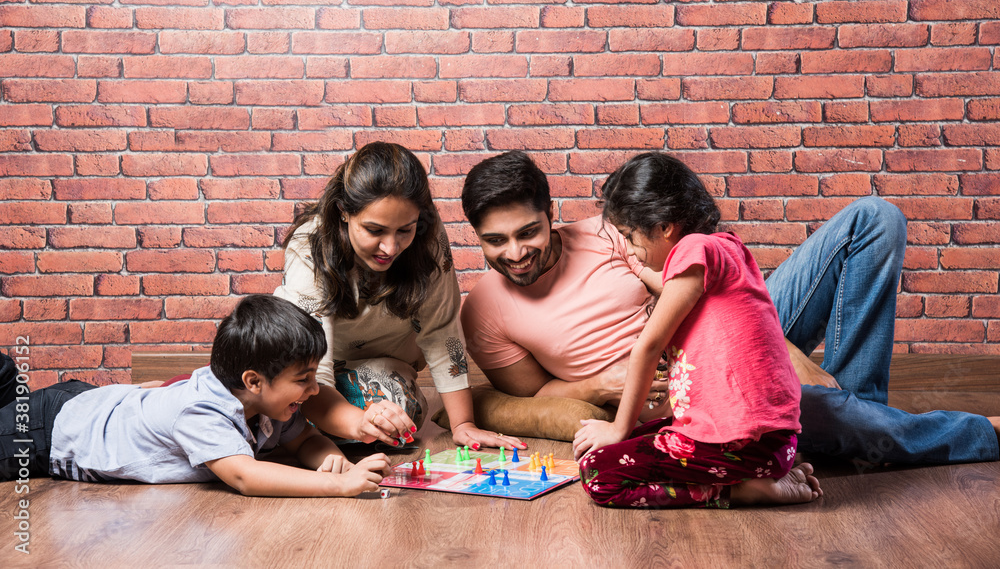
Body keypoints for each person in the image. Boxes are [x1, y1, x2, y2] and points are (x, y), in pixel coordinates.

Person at [460, 151, 1000, 467]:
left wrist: (789, 352)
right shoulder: (484, 308)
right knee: (835, 416)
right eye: (495, 241)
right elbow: (530, 395)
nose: (515, 253)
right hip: (690, 387)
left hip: (722, 325)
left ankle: (861, 411)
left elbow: (716, 284)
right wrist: (600, 386)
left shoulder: (609, 233)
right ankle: (944, 431)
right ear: (477, 238)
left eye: (527, 232)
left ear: (550, 214)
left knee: (874, 219)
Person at [572, 153, 821, 508]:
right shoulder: (725, 249)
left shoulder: (695, 249)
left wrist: (617, 428)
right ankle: (759, 475)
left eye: (629, 236)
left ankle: (742, 490)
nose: (629, 249)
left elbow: (648, 346)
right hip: (771, 445)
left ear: (664, 227)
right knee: (636, 440)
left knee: (598, 472)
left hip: (745, 445)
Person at [0, 295, 391, 496]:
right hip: (44, 433)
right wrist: (338, 486)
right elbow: (245, 476)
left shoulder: (271, 407)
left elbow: (307, 438)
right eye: (304, 378)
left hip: (88, 402)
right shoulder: (202, 410)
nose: (314, 389)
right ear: (253, 381)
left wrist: (337, 463)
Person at [275, 141, 523, 451]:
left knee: (396, 410)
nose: (390, 248)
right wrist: (355, 421)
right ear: (343, 213)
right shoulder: (309, 246)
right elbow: (309, 363)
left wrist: (463, 425)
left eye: (404, 230)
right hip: (314, 367)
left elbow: (441, 329)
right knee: (284, 401)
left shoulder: (427, 238)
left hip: (385, 366)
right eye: (375, 230)